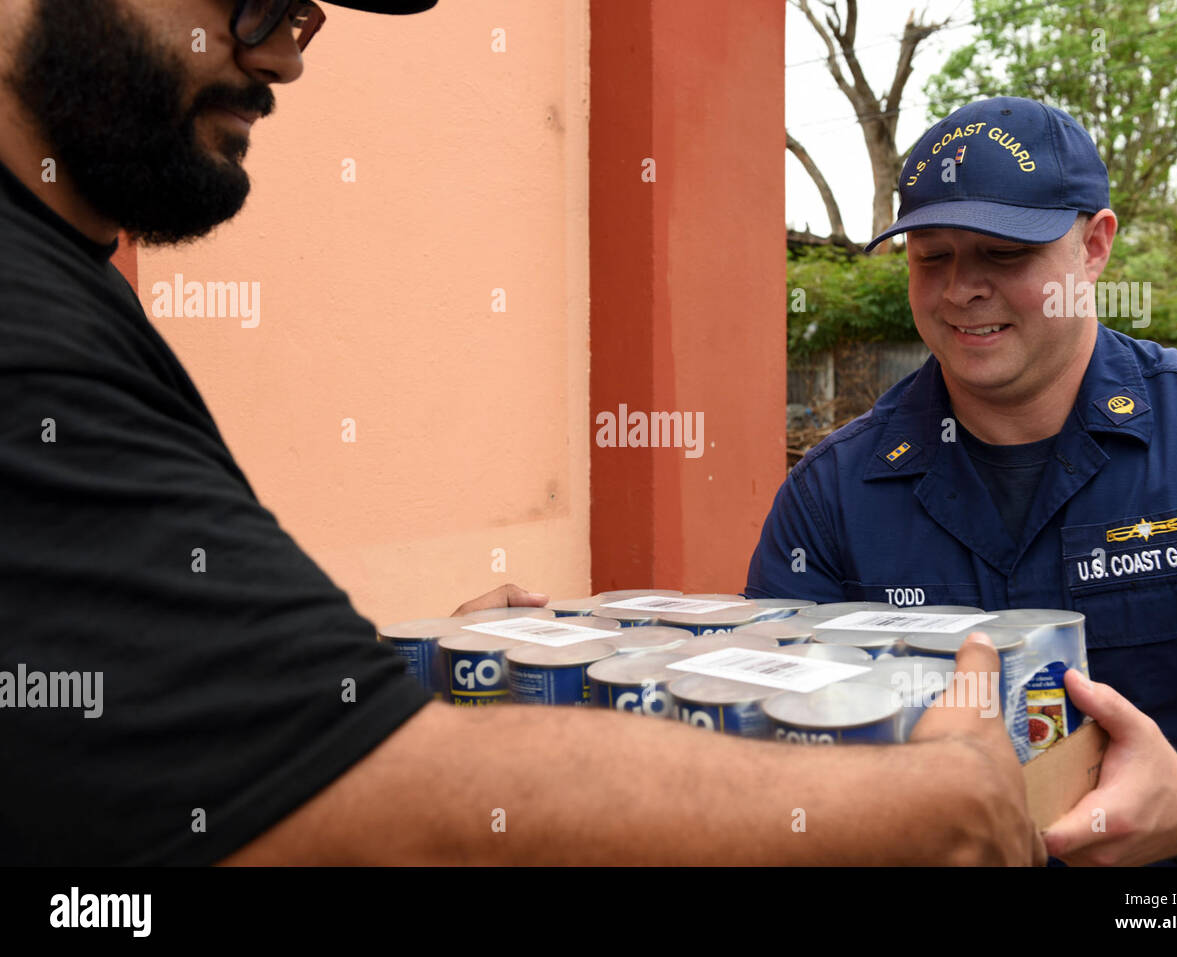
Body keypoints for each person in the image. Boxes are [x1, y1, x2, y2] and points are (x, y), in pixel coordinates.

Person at [0, 0, 1044, 866]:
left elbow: (166, 726)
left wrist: (411, 682)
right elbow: (358, 811)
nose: (282, 55)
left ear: (1093, 252)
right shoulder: (26, 321)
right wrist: (935, 800)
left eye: (305, 16)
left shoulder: (66, 275)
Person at [747, 96, 1177, 867]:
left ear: (1094, 246)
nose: (960, 289)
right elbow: (768, 735)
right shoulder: (829, 495)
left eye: (1004, 253)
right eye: (930, 256)